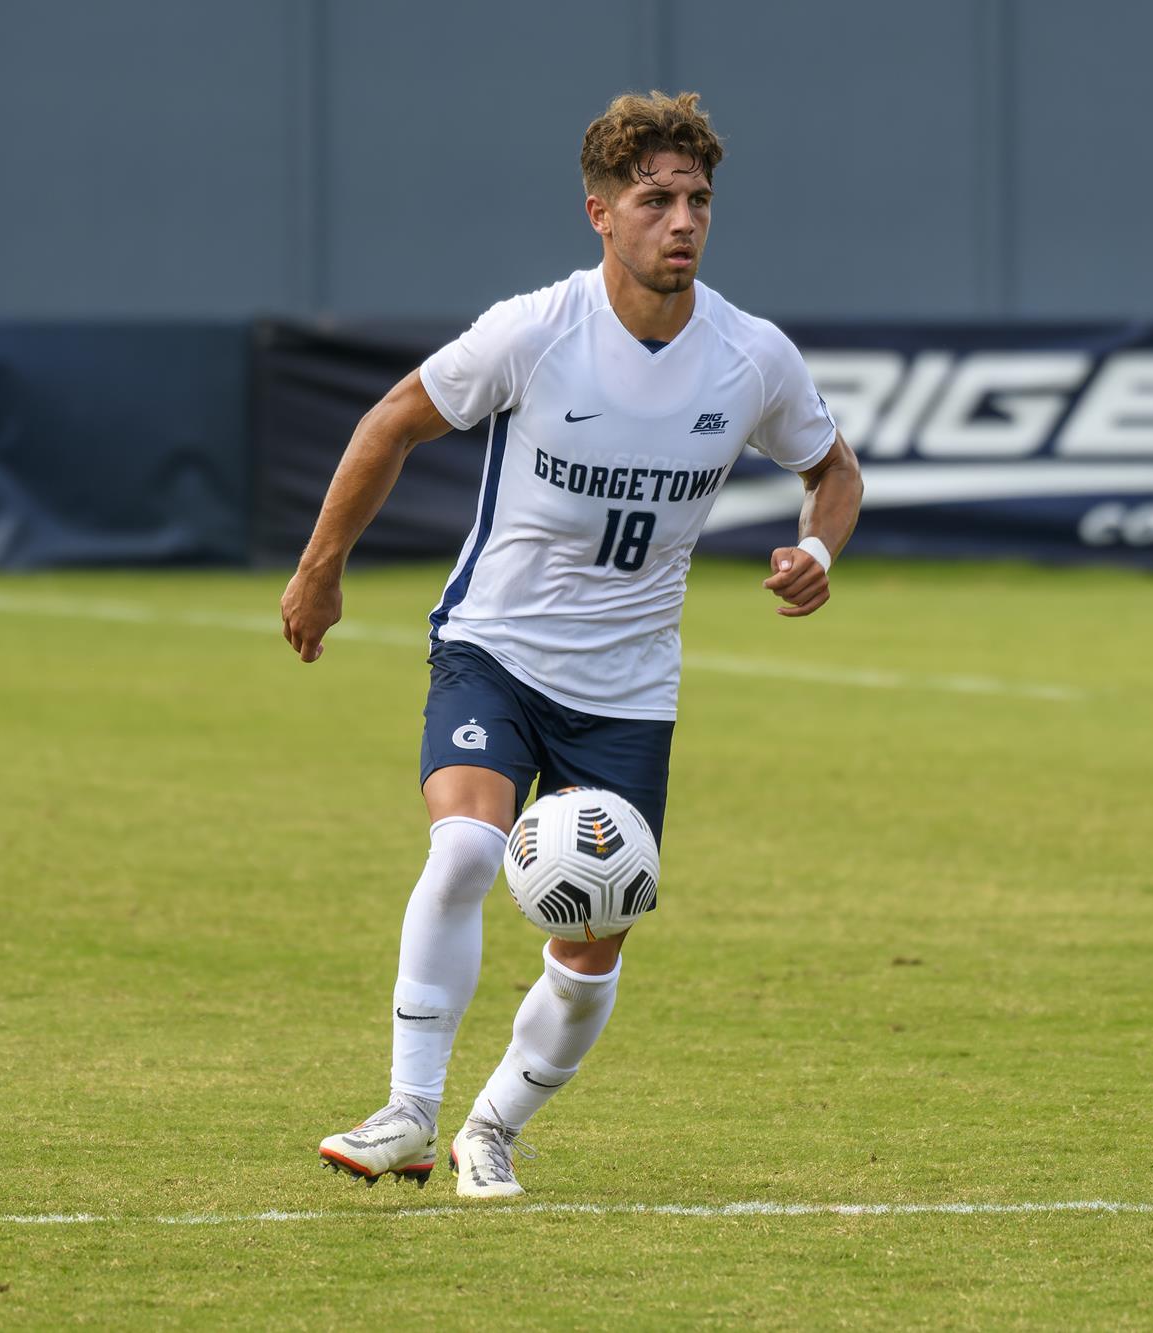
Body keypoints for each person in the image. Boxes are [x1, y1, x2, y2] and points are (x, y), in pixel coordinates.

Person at [280, 90, 862, 1199]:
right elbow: (393, 417)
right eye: (654, 199)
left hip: (628, 689)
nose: (681, 220)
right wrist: (320, 566)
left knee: (594, 936)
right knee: (460, 849)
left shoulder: (749, 357)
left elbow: (831, 471)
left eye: (695, 199)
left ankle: (489, 1127)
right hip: (495, 645)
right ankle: (407, 1107)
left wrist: (817, 554)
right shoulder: (535, 331)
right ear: (599, 212)